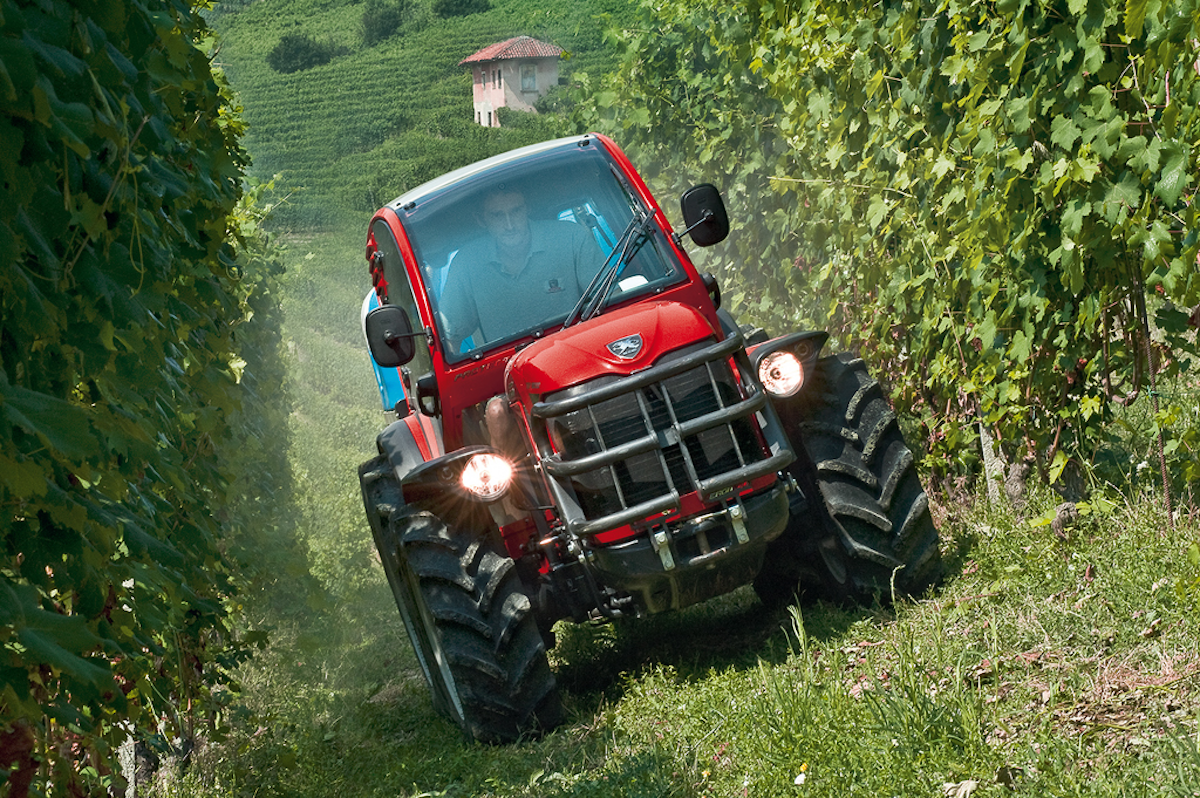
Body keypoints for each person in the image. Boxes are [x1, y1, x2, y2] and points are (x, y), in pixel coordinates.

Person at [436, 187, 601, 354]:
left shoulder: (571, 237)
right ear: (481, 219)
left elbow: (609, 301)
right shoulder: (466, 263)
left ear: (527, 208)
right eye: (497, 215)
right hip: (507, 371)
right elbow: (450, 338)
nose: (509, 225)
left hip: (579, 353)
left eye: (516, 211)